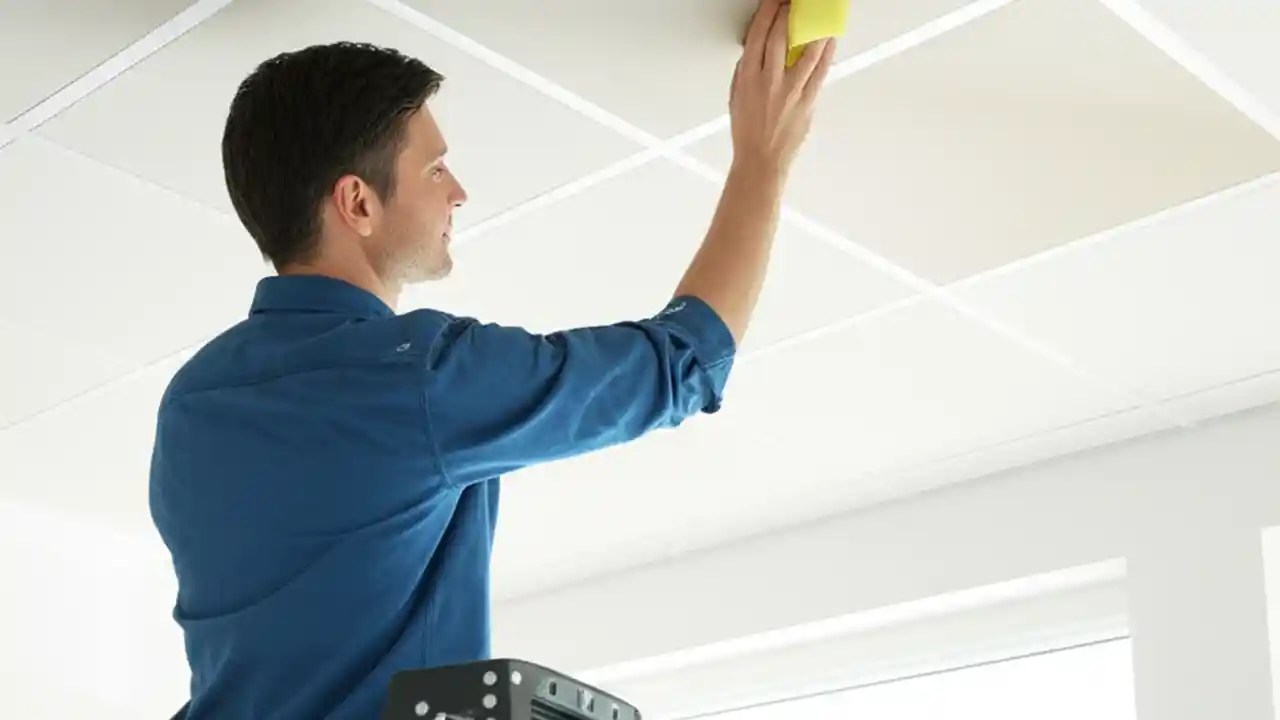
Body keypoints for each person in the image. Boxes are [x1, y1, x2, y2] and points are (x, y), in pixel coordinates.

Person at [149, 0, 835, 717]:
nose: (459, 191)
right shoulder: (415, 377)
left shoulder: (191, 403)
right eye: (436, 168)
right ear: (357, 203)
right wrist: (764, 159)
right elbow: (683, 361)